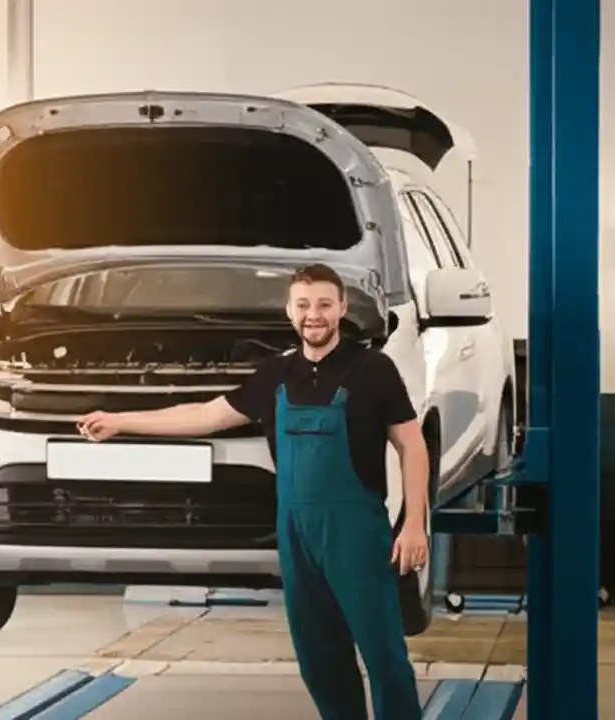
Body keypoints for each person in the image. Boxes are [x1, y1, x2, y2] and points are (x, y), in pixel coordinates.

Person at [77, 263, 428, 720]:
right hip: (296, 536)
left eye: (324, 304)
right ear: (289, 311)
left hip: (357, 535)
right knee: (321, 661)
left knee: (385, 659)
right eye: (303, 305)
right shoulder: (276, 374)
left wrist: (415, 523)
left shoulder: (372, 369)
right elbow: (202, 415)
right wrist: (121, 421)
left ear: (342, 308)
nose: (313, 315)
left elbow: (412, 443)